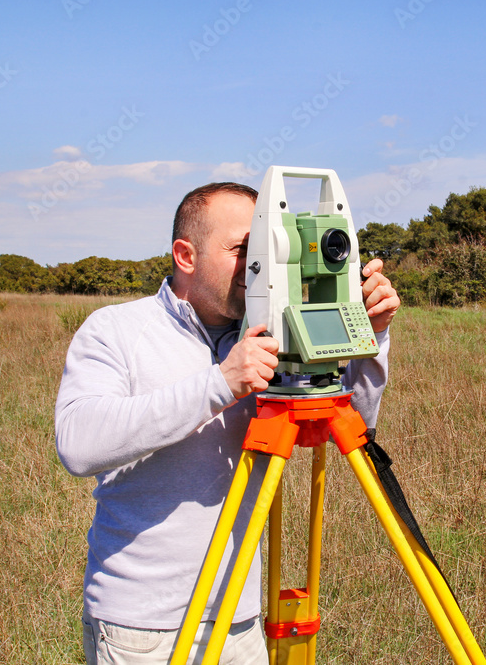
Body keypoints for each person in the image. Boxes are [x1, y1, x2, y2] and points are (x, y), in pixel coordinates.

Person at [55, 181, 400, 664]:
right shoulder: (116, 329)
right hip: (144, 625)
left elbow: (350, 425)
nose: (258, 265)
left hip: (239, 616)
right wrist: (220, 384)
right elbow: (78, 443)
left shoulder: (273, 334)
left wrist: (372, 335)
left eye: (267, 246)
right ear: (185, 255)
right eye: (243, 248)